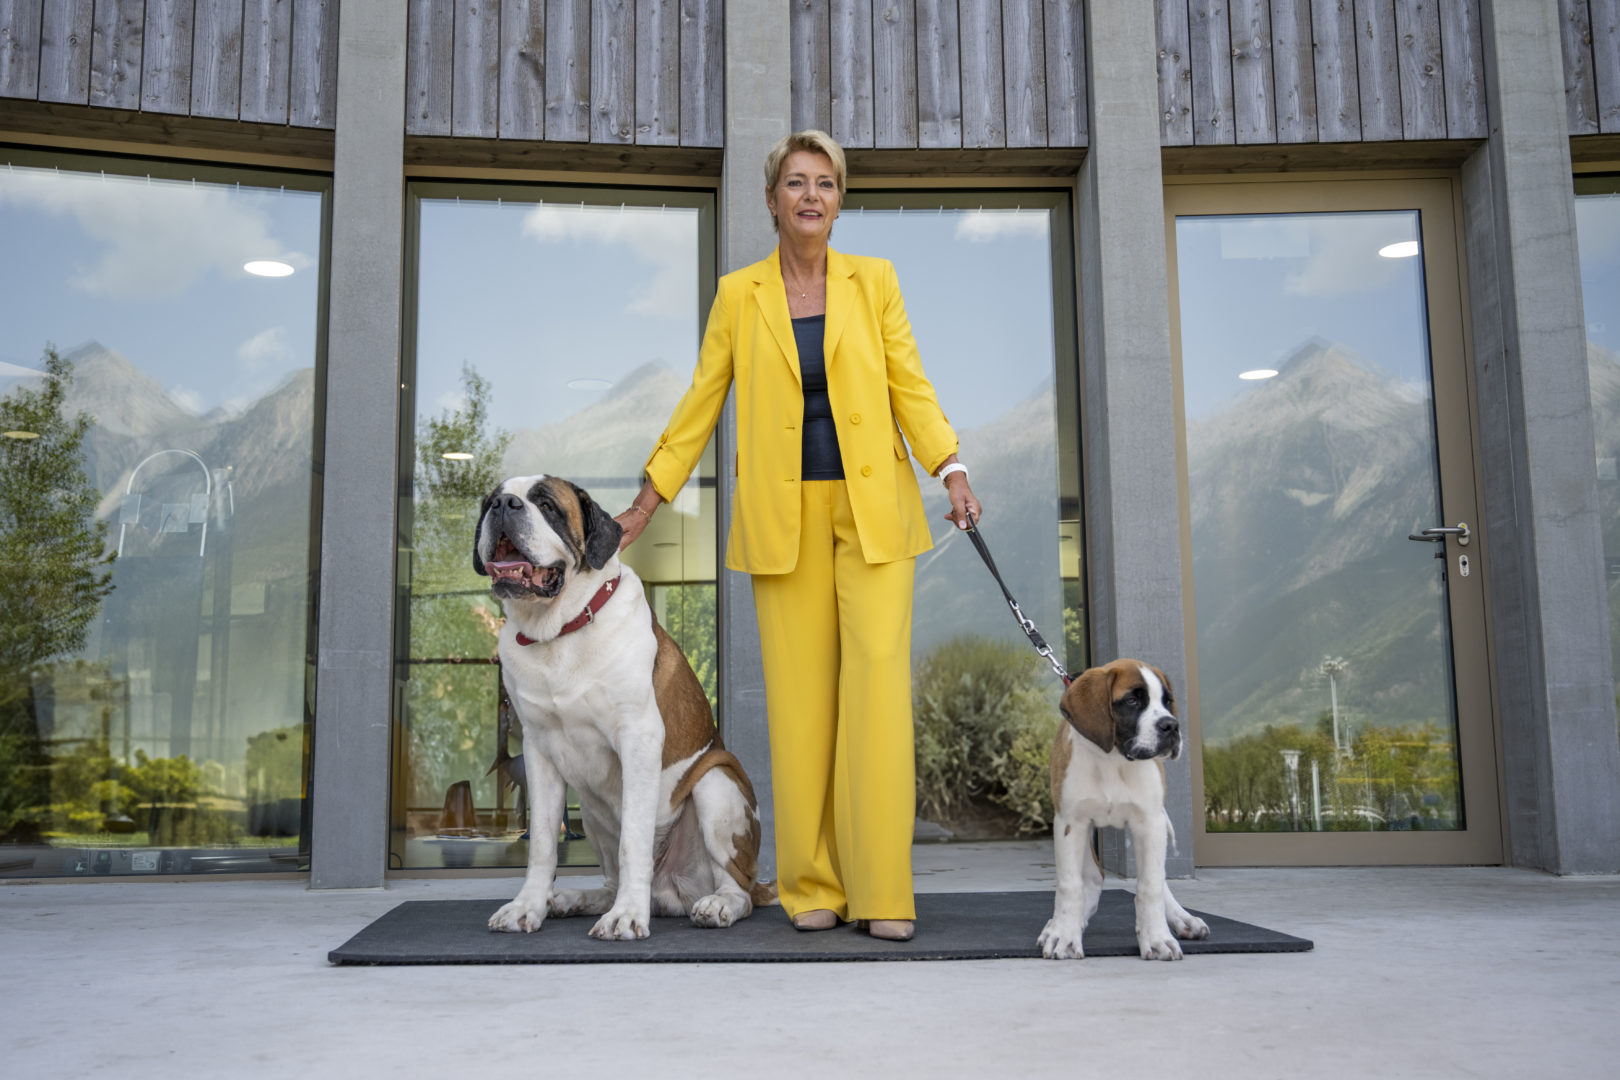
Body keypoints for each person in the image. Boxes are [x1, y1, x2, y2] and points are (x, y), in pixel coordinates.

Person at [615, 130, 981, 942]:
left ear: (839, 202)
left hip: (874, 512)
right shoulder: (739, 295)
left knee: (876, 701)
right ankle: (813, 882)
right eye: (795, 182)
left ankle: (882, 890)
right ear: (771, 200)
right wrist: (650, 498)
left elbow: (910, 384)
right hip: (783, 521)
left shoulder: (874, 282)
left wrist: (950, 468)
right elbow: (701, 402)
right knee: (801, 707)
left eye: (825, 183)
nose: (811, 195)